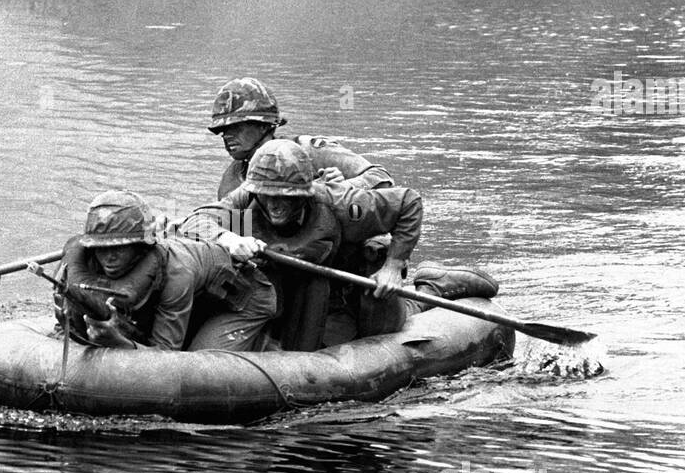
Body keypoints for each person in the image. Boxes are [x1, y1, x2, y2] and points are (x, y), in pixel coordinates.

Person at [185, 139, 491, 349]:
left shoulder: (342, 204)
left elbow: (408, 202)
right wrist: (227, 238)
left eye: (285, 197)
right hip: (285, 285)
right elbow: (195, 220)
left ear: (304, 193)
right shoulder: (247, 198)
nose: (274, 205)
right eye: (267, 195)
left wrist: (392, 266)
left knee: (376, 329)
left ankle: (428, 289)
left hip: (344, 292)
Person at [53, 190, 277, 352]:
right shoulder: (85, 262)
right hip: (199, 293)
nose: (109, 257)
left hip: (242, 299)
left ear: (140, 248)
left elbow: (166, 356)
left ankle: (261, 343)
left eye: (120, 248)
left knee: (199, 365)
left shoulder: (176, 274)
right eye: (101, 248)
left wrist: (118, 342)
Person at [208, 77, 395, 199]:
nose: (227, 135)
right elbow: (236, 228)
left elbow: (381, 178)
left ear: (264, 125)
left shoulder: (308, 151)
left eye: (236, 127)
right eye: (222, 130)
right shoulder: (232, 180)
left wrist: (340, 188)